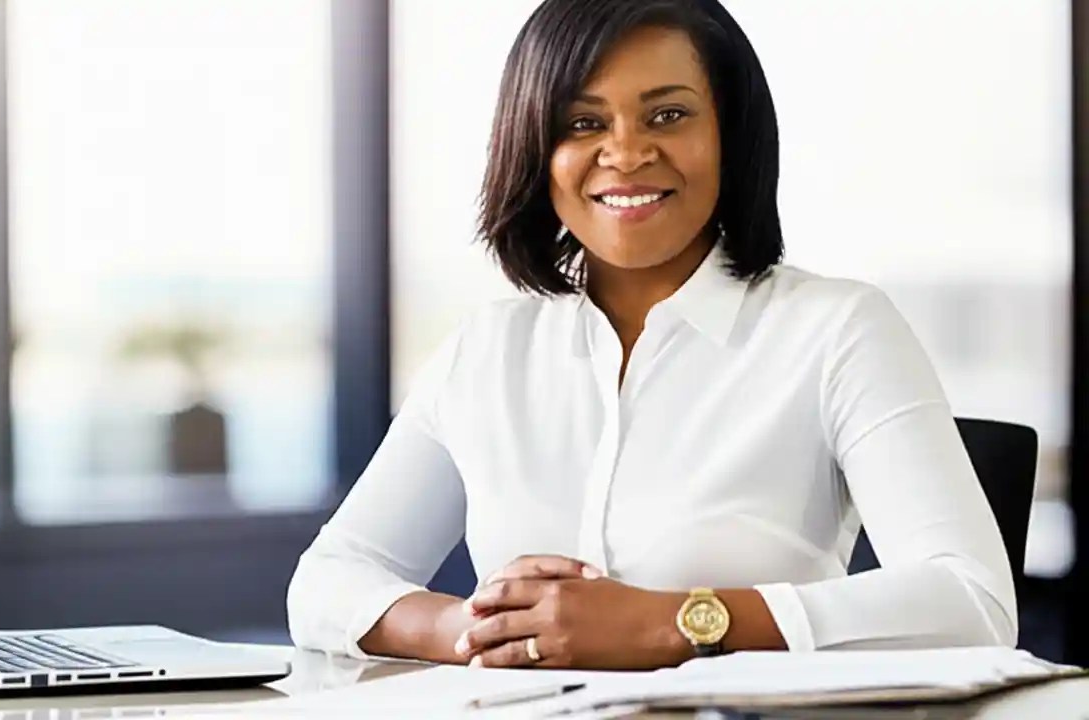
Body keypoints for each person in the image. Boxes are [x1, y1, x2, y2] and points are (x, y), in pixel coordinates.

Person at [287, 0, 1017, 669]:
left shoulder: (838, 329)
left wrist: (677, 622)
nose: (627, 152)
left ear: (729, 132)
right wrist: (489, 631)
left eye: (668, 116)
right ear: (536, 150)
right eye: (583, 122)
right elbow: (326, 584)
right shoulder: (487, 349)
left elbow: (972, 600)